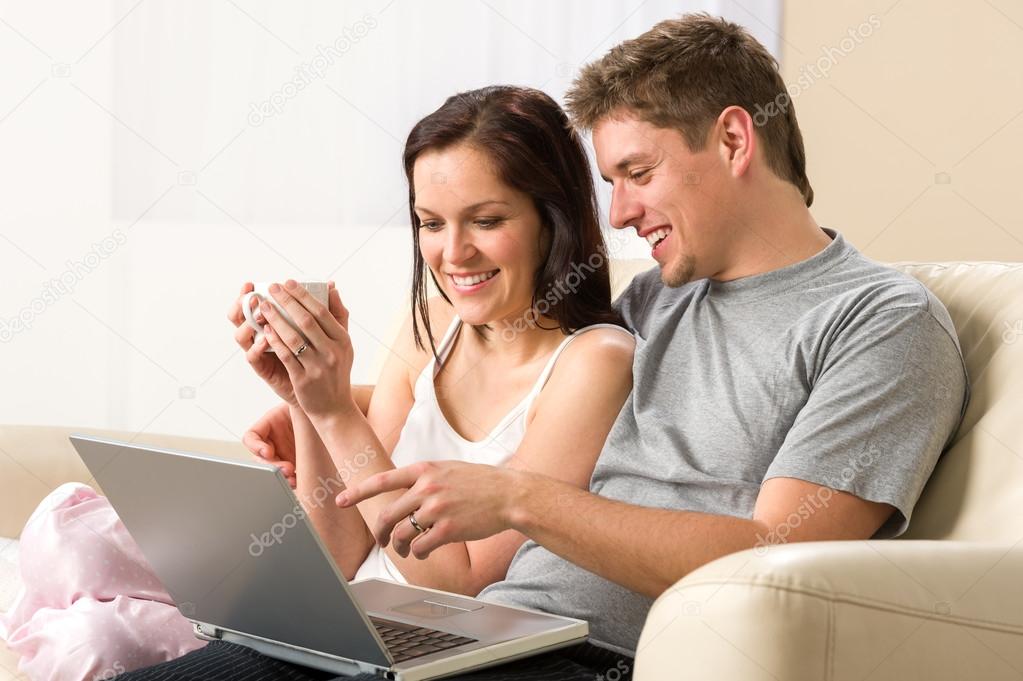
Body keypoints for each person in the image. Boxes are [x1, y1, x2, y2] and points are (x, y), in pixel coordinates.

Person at [117, 12, 968, 681]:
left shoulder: (878, 321)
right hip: (494, 633)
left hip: (594, 659)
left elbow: (778, 556)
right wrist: (327, 391)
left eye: (638, 172)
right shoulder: (656, 301)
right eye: (610, 184)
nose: (623, 212)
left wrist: (523, 501)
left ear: (735, 140)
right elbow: (512, 375)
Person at [0, 85, 634, 681]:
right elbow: (341, 549)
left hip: (431, 638)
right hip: (344, 617)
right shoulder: (431, 327)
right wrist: (302, 397)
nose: (453, 254)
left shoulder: (595, 361)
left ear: (552, 218)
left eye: (487, 220)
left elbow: (457, 582)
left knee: (99, 641)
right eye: (431, 223)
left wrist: (336, 411)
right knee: (70, 539)